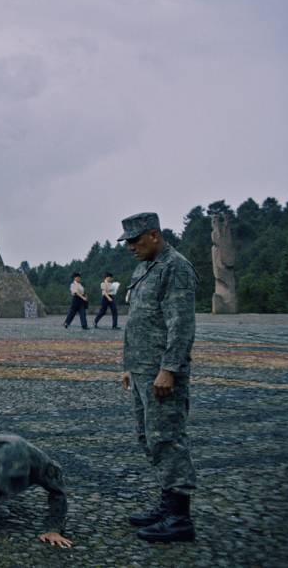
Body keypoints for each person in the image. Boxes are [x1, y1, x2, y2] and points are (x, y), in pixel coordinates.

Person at [119, 212, 199, 542]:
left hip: (161, 372)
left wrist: (169, 369)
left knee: (168, 438)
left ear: (154, 235)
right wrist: (128, 365)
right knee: (150, 437)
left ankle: (180, 518)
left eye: (135, 241)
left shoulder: (174, 266)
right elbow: (138, 320)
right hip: (141, 370)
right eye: (127, 242)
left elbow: (181, 325)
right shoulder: (144, 267)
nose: (130, 247)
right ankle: (167, 505)